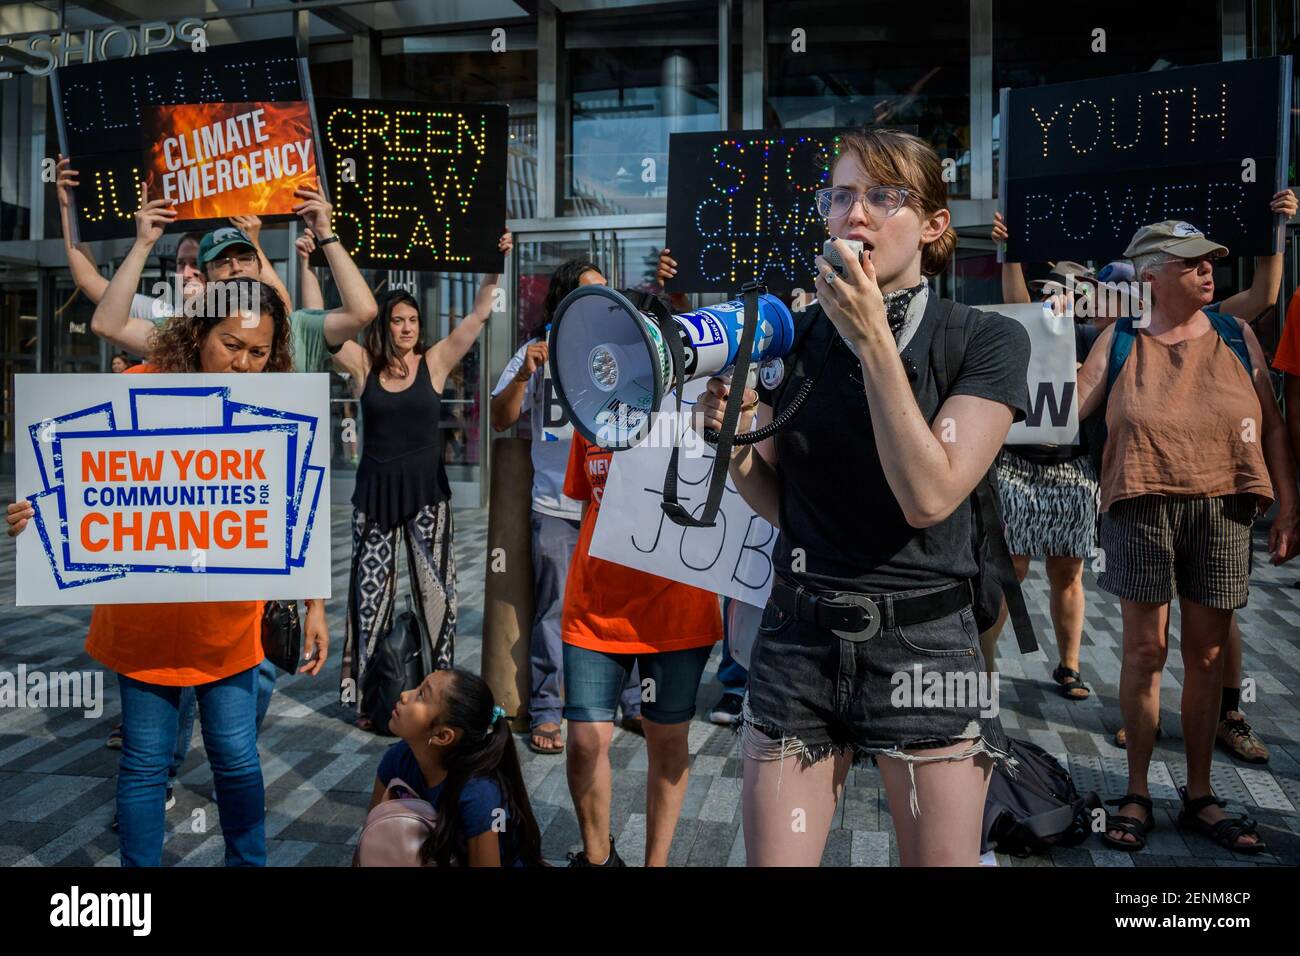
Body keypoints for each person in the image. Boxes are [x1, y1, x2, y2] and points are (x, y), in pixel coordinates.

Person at [695, 127, 1030, 867]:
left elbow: (929, 495)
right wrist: (734, 438)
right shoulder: (795, 337)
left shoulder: (983, 340)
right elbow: (784, 503)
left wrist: (875, 340)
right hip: (798, 638)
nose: (857, 214)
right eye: (842, 195)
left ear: (935, 225)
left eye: (885, 196)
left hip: (927, 642)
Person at [8, 198, 330, 867]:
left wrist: (315, 601)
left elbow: (296, 505)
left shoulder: (274, 405)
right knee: (146, 766)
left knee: (237, 760)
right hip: (145, 617)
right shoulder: (145, 381)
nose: (245, 363)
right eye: (232, 346)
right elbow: (89, 472)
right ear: (199, 335)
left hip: (230, 620)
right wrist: (36, 512)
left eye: (261, 353)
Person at [87, 186, 378, 734]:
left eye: (245, 256)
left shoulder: (298, 329)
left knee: (241, 723)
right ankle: (170, 761)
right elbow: (107, 323)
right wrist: (145, 241)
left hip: (262, 547)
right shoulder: (184, 344)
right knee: (164, 720)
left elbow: (363, 310)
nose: (245, 361)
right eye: (222, 263)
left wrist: (326, 233)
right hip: (190, 540)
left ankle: (224, 754)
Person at [1074, 219, 1297, 854]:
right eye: (1192, 261)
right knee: (1146, 655)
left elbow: (1274, 428)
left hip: (1225, 511)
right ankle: (1137, 792)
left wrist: (1290, 507)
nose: (1208, 270)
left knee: (1205, 659)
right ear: (1150, 276)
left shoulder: (1236, 333)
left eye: (1211, 261)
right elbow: (1063, 404)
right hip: (1142, 508)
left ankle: (1199, 795)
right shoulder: (1118, 339)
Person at [332, 231, 512, 730]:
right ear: (385, 325)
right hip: (374, 494)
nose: (408, 327)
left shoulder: (433, 363)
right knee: (368, 602)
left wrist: (494, 266)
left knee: (438, 598)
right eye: (399, 320)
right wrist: (309, 265)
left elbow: (478, 315)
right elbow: (323, 330)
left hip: (426, 497)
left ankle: (439, 696)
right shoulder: (364, 366)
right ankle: (369, 702)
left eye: (413, 320)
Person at [489, 259, 645, 754]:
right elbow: (499, 418)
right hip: (555, 503)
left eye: (605, 292)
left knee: (622, 601)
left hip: (611, 503)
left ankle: (635, 702)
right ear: (562, 300)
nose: (598, 302)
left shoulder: (620, 351)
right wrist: (523, 374)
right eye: (587, 293)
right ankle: (548, 710)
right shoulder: (534, 353)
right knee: (556, 611)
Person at [561, 428, 723, 866]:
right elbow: (584, 501)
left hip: (678, 606)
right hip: (593, 607)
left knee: (667, 740)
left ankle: (657, 862)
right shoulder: (591, 402)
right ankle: (598, 860)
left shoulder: (693, 406)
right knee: (583, 742)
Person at [371, 668, 544, 866]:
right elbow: (371, 836)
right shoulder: (397, 759)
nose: (404, 695)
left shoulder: (478, 793)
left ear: (442, 736)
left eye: (421, 695)